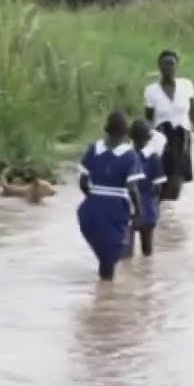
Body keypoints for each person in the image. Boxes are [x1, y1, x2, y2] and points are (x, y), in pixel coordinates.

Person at [142, 50, 194, 214]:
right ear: (159, 66)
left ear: (177, 66)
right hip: (162, 139)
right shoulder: (151, 90)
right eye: (164, 63)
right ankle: (155, 218)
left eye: (171, 63)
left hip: (182, 139)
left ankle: (160, 220)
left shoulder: (186, 85)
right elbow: (149, 119)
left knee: (176, 187)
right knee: (161, 183)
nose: (168, 67)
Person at [77, 111, 145, 281]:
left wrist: (94, 198)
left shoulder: (93, 149)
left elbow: (83, 182)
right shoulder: (129, 155)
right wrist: (139, 212)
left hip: (88, 212)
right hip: (114, 210)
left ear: (106, 129)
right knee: (113, 254)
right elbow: (132, 188)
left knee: (104, 257)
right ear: (125, 133)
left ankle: (103, 297)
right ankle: (106, 298)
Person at [128, 119, 167, 257]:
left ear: (130, 137)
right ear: (149, 138)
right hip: (148, 210)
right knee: (147, 253)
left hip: (129, 210)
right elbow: (159, 188)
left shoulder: (126, 156)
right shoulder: (154, 157)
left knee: (126, 256)